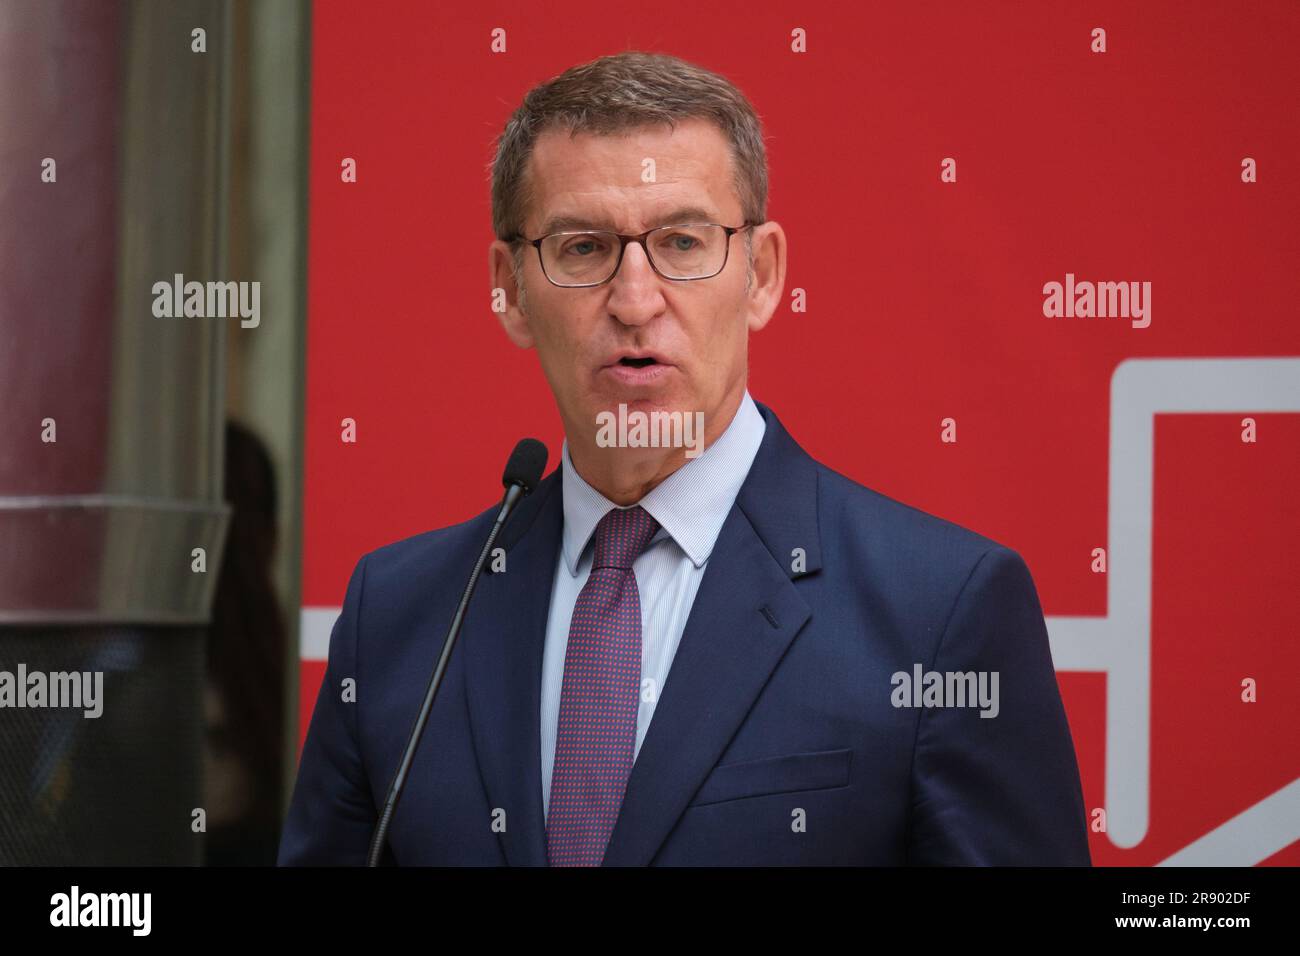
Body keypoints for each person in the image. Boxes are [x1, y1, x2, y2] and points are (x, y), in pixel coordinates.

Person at [279, 51, 1090, 866]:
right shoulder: (399, 619)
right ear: (511, 289)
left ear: (762, 275)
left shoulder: (940, 615)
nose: (635, 301)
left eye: (683, 240)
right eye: (584, 248)